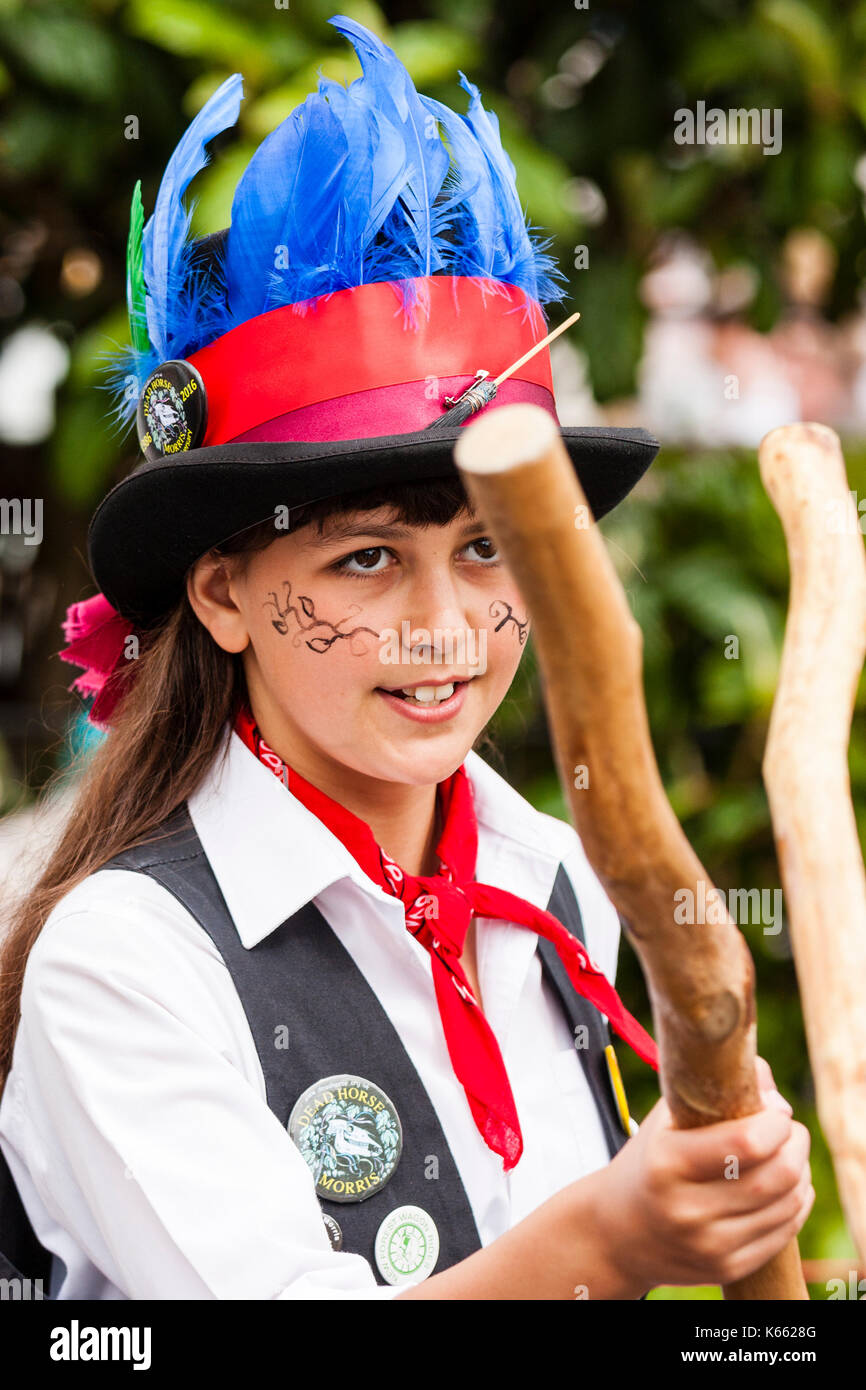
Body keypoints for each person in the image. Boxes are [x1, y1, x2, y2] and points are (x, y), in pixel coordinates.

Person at [0, 16, 812, 1300]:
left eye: (489, 550)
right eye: (365, 559)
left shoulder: (558, 877)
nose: (442, 627)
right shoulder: (128, 959)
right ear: (223, 591)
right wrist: (605, 1238)